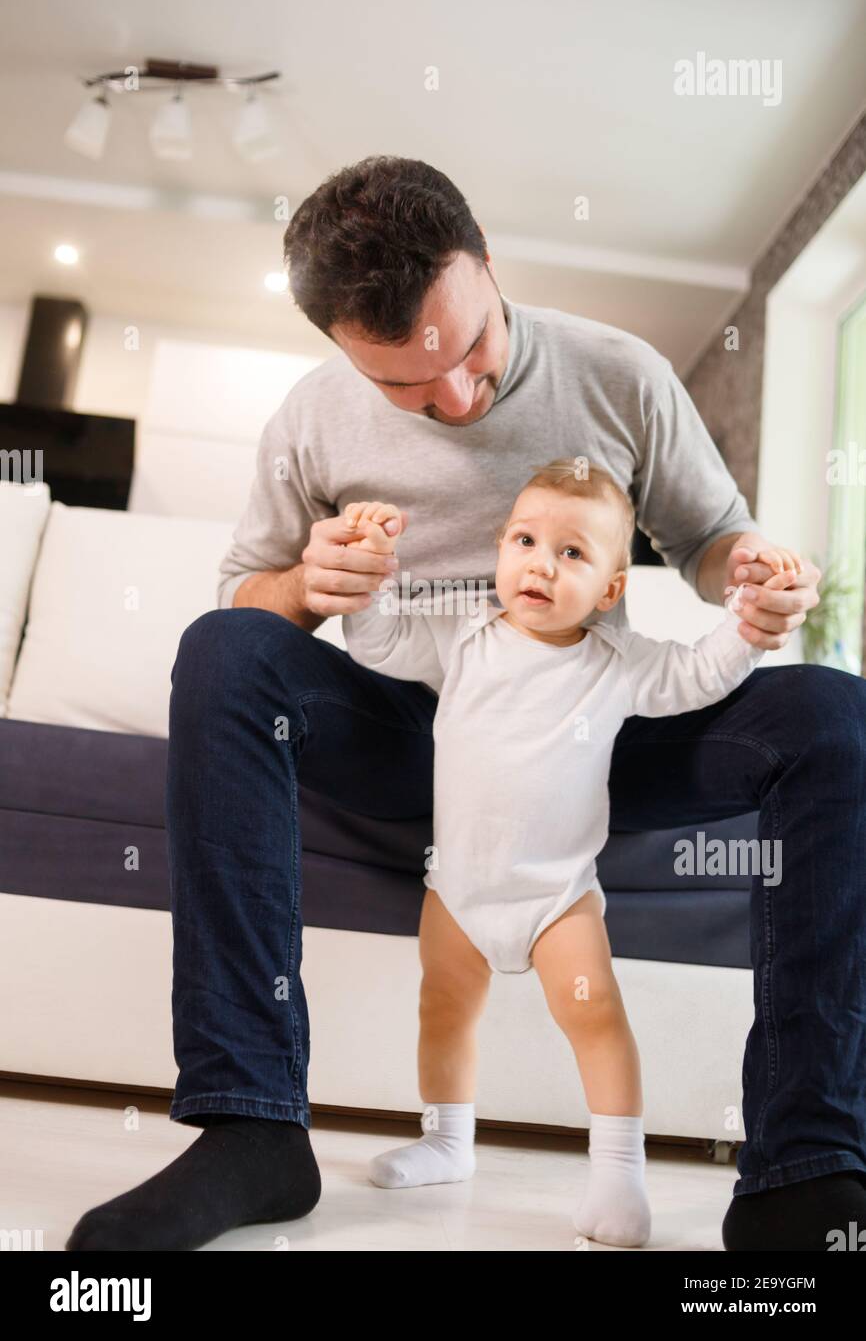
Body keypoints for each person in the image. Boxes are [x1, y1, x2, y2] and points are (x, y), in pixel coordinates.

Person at [67, 156, 865, 1255]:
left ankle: (801, 1169)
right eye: (403, 384)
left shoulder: (619, 372)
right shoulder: (310, 421)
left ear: (486, 261)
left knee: (830, 710)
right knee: (225, 648)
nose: (453, 398)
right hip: (411, 742)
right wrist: (307, 586)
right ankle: (250, 1126)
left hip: (594, 738)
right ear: (341, 347)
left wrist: (753, 576)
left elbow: (711, 539)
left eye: (470, 349)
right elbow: (245, 602)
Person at [338, 465, 797, 1249]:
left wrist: (748, 626)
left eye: (572, 554)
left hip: (557, 896)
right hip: (458, 886)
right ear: (500, 548)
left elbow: (698, 673)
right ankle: (448, 1141)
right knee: (443, 1010)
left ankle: (618, 1168)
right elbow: (377, 640)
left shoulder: (616, 664)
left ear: (612, 591)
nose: (540, 565)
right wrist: (373, 566)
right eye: (525, 541)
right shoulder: (464, 633)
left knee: (593, 1015)